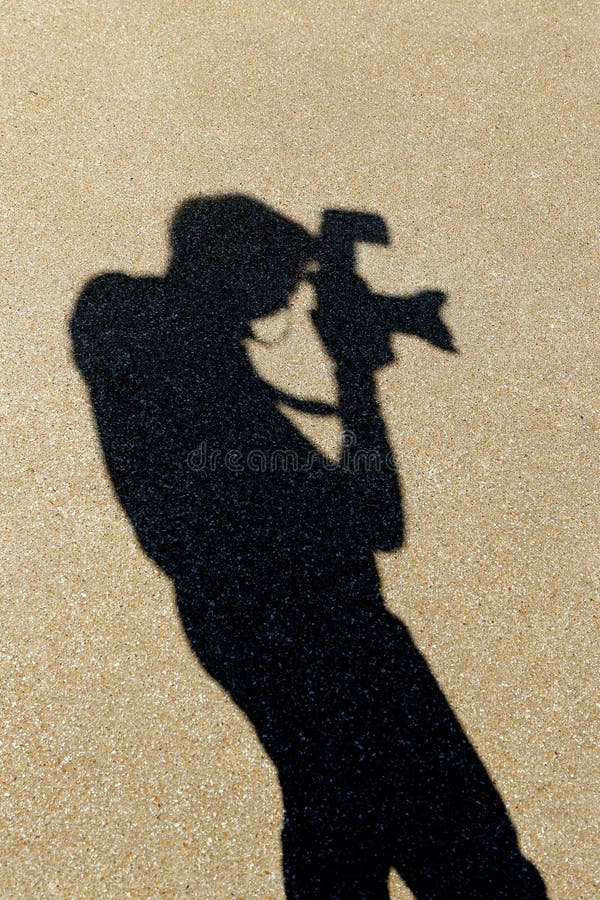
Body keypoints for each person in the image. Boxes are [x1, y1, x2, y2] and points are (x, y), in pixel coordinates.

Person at [71, 195, 546, 898]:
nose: (288, 303)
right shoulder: (143, 332)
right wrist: (352, 359)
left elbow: (374, 518)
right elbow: (375, 518)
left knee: (345, 842)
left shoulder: (178, 364)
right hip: (319, 637)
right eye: (282, 282)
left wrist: (354, 356)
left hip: (280, 634)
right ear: (232, 271)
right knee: (465, 860)